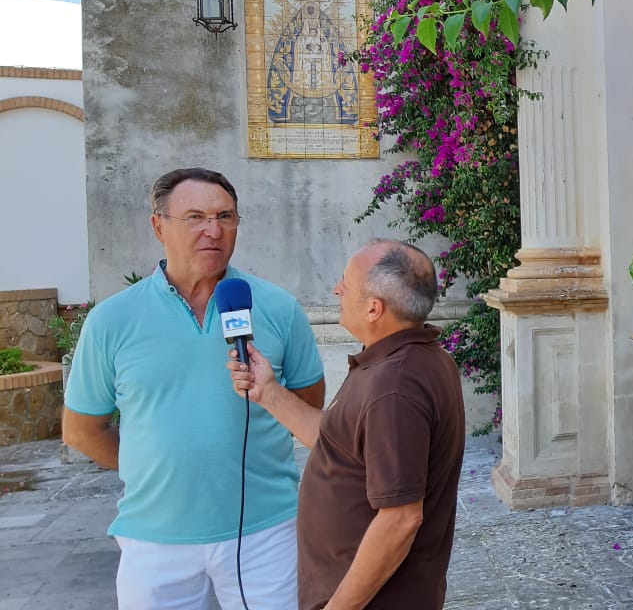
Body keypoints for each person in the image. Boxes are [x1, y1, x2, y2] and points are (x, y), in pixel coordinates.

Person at [63, 167, 326, 609]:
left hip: (265, 533)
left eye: (226, 216)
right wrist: (156, 470)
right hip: (155, 540)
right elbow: (82, 429)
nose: (213, 230)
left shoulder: (278, 308)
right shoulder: (112, 320)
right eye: (196, 217)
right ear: (158, 226)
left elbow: (307, 410)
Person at [228, 238, 465, 610]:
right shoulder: (406, 360)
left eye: (346, 283)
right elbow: (337, 441)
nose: (337, 289)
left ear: (374, 308)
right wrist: (268, 392)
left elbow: (401, 519)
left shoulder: (394, 386)